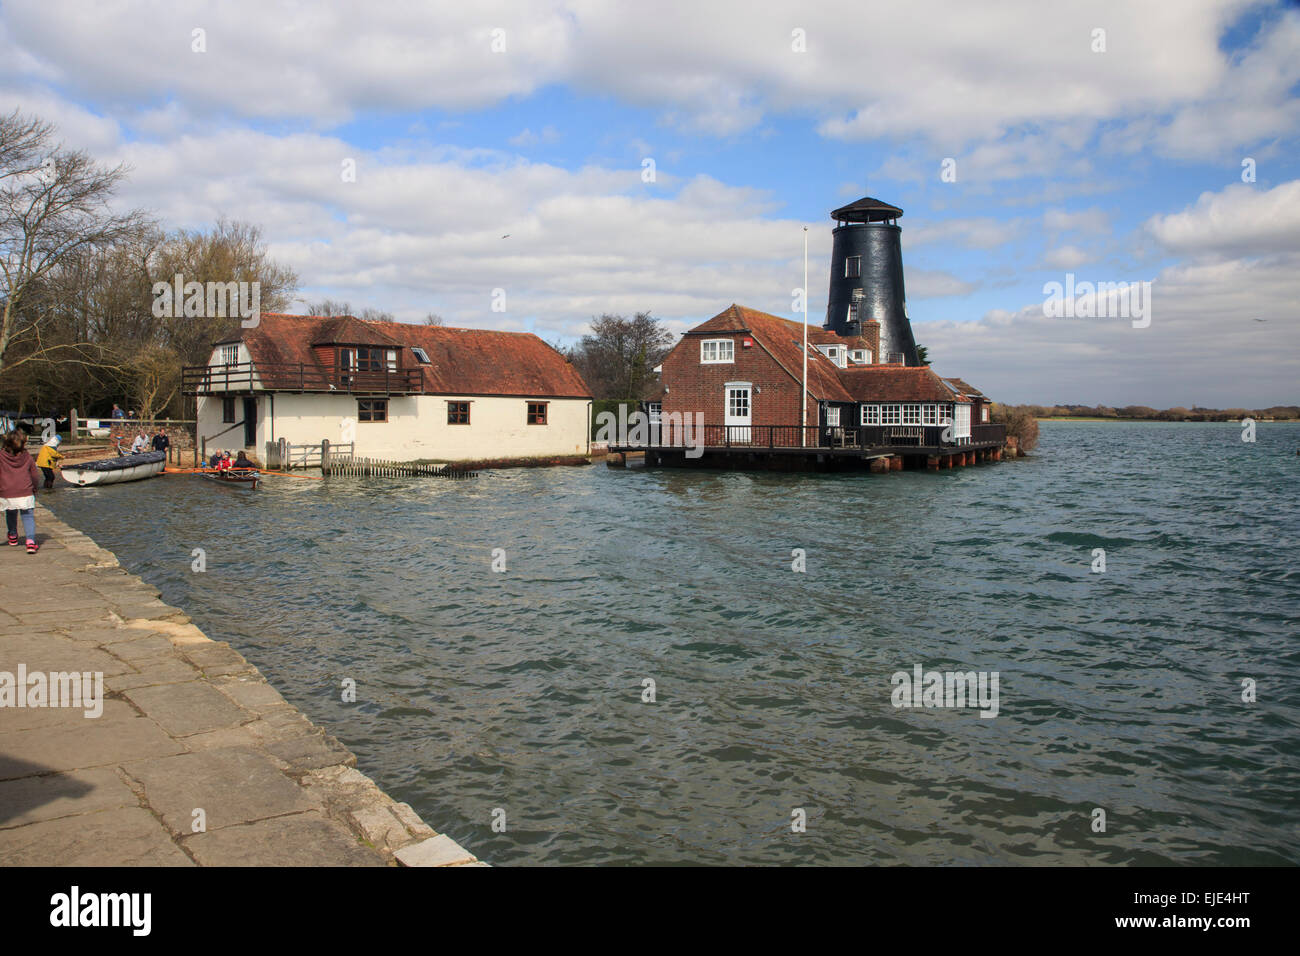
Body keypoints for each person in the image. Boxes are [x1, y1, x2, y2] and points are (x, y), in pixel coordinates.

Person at [1, 430, 41, 554]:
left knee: (10, 512)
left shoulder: (1, 456)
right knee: (28, 516)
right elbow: (34, 474)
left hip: (6, 491)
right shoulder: (27, 456)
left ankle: (13, 535)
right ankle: (30, 542)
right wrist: (35, 487)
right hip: (25, 490)